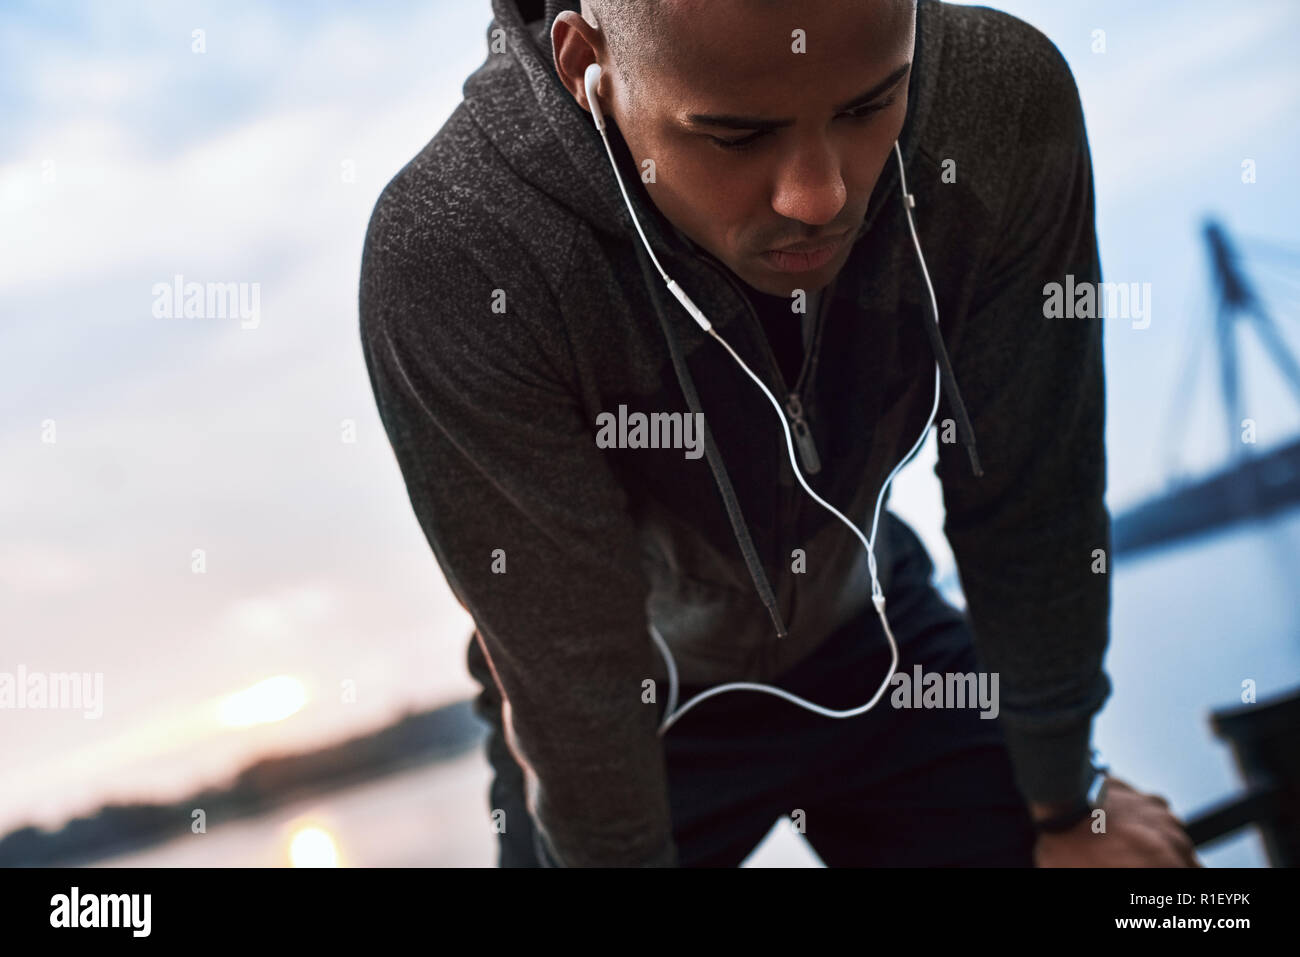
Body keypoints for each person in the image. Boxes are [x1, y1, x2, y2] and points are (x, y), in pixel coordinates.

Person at [359, 0, 1199, 867]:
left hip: (870, 629)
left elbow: (1032, 489)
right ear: (587, 70)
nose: (819, 197)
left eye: (869, 107)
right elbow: (575, 667)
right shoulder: (458, 253)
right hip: (629, 704)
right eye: (736, 137)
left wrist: (1063, 793)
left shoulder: (997, 105)